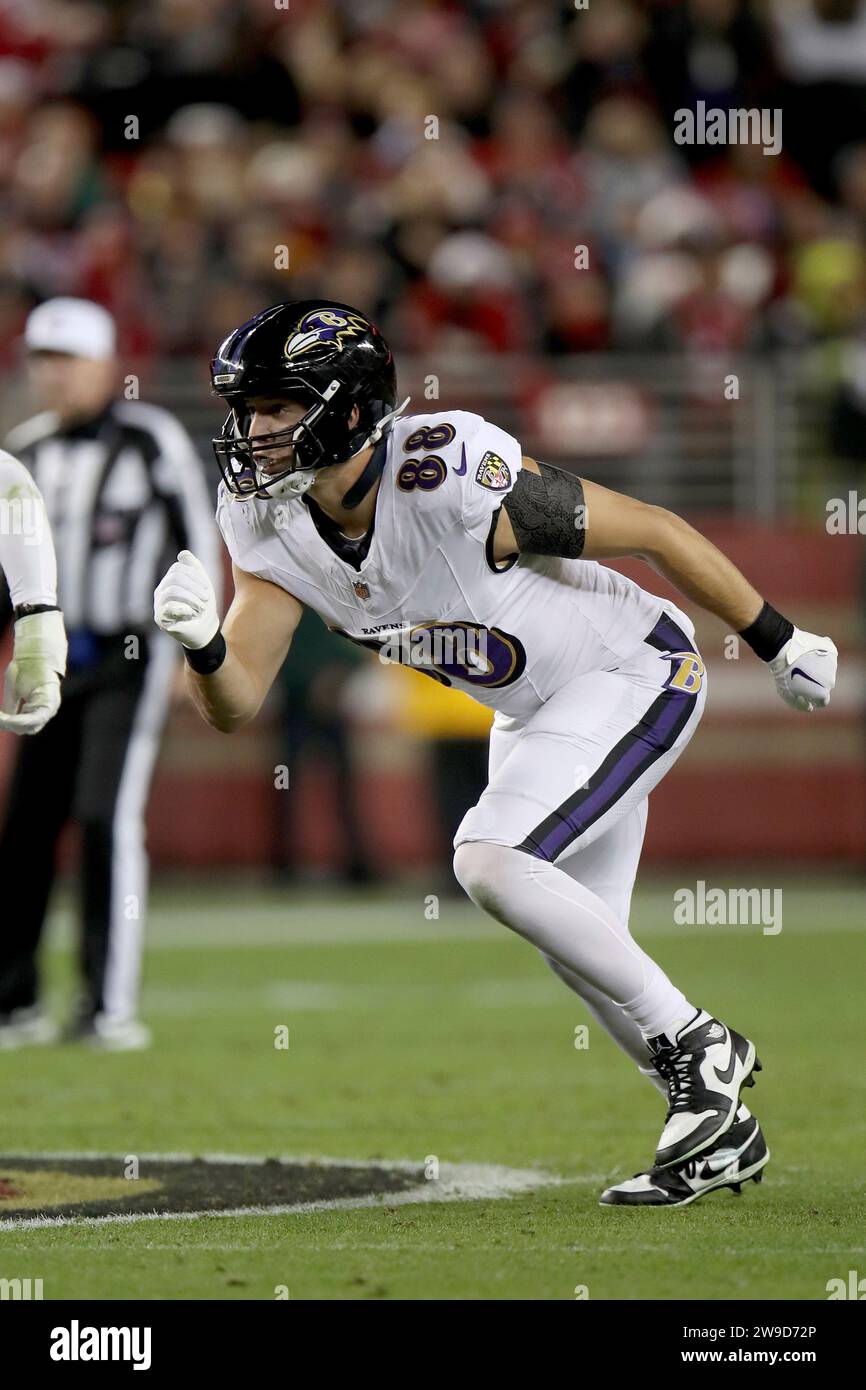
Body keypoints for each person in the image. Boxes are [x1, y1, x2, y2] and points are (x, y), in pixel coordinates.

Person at [154, 300, 837, 1205]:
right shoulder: (267, 520)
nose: (255, 431)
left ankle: (706, 1049)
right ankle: (717, 1131)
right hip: (529, 709)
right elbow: (237, 702)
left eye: (279, 406)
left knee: (490, 859)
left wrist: (778, 639)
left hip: (634, 668)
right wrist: (202, 645)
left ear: (350, 408)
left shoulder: (449, 476)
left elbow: (657, 530)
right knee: (578, 942)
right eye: (248, 409)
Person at [0, 297, 220, 1051]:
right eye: (41, 360)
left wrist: (200, 655)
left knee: (103, 817)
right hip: (50, 660)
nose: (52, 376)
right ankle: (15, 1000)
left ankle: (105, 1005)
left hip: (130, 657)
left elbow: (197, 543)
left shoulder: (150, 438)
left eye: (67, 360)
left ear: (106, 366)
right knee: (26, 827)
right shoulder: (23, 450)